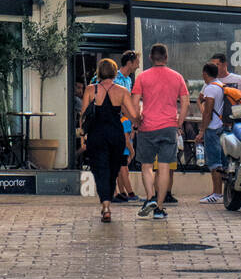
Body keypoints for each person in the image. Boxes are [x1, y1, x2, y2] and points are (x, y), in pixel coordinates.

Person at [132, 43, 190, 219]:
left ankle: (150, 197)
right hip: (168, 127)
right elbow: (185, 102)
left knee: (146, 165)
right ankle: (159, 207)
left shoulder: (142, 77)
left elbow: (134, 102)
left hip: (147, 127)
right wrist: (178, 122)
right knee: (164, 168)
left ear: (150, 57)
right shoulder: (177, 77)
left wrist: (137, 121)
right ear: (166, 57)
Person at [81, 59, 137, 222]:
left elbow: (83, 116)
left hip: (96, 136)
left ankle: (105, 206)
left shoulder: (91, 90)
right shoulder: (122, 91)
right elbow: (131, 115)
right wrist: (138, 122)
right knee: (112, 171)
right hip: (115, 135)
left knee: (100, 171)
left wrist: (83, 136)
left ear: (99, 72)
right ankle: (108, 203)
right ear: (114, 72)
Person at [194, 62, 226, 204]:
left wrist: (201, 131)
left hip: (212, 129)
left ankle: (217, 194)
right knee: (221, 162)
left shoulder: (210, 89)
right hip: (222, 127)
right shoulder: (220, 85)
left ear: (205, 73)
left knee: (214, 163)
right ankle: (218, 192)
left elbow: (208, 113)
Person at [113, 51, 140, 202]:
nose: (138, 65)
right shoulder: (116, 78)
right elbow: (121, 103)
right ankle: (128, 192)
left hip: (126, 123)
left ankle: (121, 192)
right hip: (120, 122)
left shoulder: (128, 80)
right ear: (129, 62)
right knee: (122, 160)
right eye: (136, 61)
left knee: (122, 161)